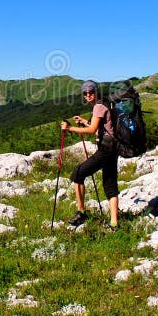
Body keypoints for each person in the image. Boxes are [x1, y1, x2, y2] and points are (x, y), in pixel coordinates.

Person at [60, 80, 120, 230]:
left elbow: (93, 130)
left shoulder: (98, 107)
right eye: (85, 93)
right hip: (114, 147)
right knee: (110, 185)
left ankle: (81, 212)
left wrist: (70, 128)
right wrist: (84, 121)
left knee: (78, 174)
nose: (88, 95)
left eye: (91, 92)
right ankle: (114, 223)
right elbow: (103, 126)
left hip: (105, 149)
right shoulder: (104, 103)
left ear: (96, 91)